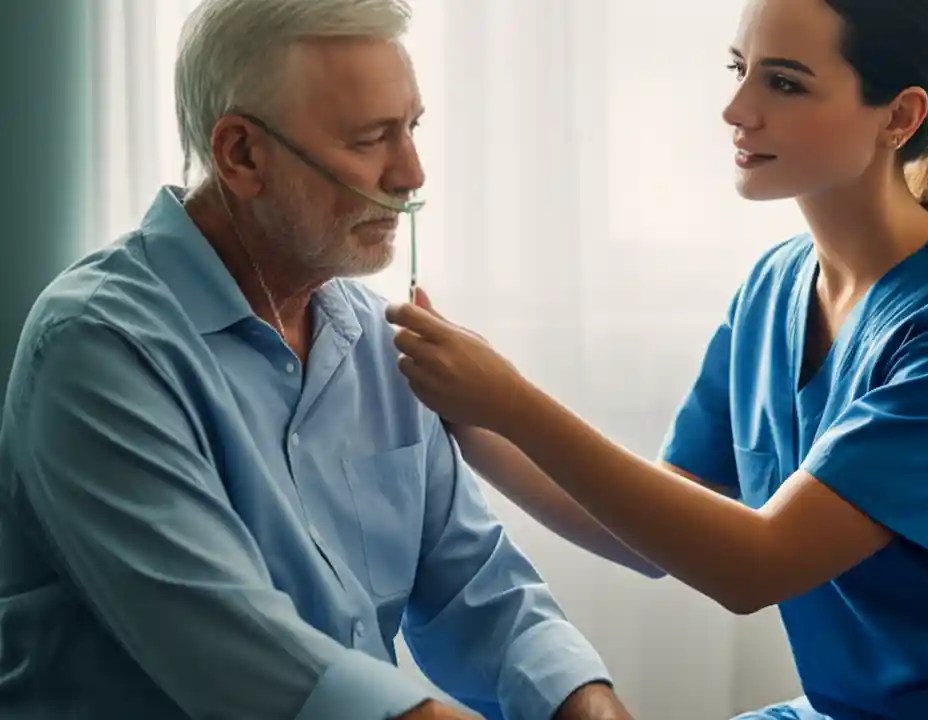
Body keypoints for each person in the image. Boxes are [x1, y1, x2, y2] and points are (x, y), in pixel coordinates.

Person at [386, 0, 928, 717]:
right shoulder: (773, 288)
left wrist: (512, 400)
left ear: (899, 116)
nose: (736, 109)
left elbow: (754, 567)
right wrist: (466, 415)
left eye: (784, 83)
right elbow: (649, 531)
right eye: (739, 70)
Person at [0, 1, 632, 719]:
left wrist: (583, 701)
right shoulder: (96, 351)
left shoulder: (378, 340)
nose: (412, 173)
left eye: (412, 127)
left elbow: (477, 587)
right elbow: (241, 655)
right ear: (242, 154)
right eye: (371, 140)